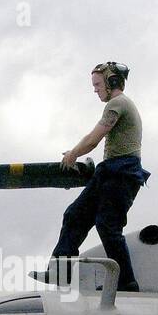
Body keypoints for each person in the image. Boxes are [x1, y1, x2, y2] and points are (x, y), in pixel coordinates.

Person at [45, 61, 149, 292]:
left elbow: (93, 139)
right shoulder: (117, 104)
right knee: (75, 215)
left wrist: (72, 155)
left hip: (122, 175)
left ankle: (126, 283)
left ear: (112, 82)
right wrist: (74, 153)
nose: (95, 89)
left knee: (108, 225)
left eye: (97, 84)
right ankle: (60, 273)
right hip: (109, 172)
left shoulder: (117, 104)